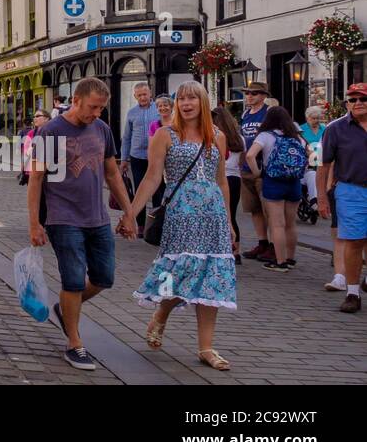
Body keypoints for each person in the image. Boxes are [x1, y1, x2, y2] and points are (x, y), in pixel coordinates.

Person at [123, 81, 237, 371]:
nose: (186, 104)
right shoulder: (165, 135)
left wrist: (229, 221)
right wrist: (131, 214)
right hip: (181, 212)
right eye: (182, 99)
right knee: (176, 272)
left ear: (203, 102)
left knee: (212, 277)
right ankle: (161, 313)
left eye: (192, 99)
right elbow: (151, 178)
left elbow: (221, 180)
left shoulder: (218, 137)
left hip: (212, 215)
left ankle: (206, 347)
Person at [28, 77, 133, 371]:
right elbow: (36, 178)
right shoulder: (50, 131)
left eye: (101, 108)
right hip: (63, 218)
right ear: (76, 101)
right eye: (92, 107)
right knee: (73, 280)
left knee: (104, 277)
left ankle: (65, 308)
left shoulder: (102, 129)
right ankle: (74, 343)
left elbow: (112, 174)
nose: (96, 113)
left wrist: (129, 212)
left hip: (97, 217)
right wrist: (35, 223)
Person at [317, 84, 367, 312]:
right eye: (352, 99)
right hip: (351, 190)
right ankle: (352, 293)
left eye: (362, 99)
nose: (357, 103)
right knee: (354, 240)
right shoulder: (335, 128)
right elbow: (324, 165)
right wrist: (322, 198)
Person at [244, 105, 306, 273]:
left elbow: (250, 155)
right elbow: (307, 154)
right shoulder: (296, 137)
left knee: (277, 224)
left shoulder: (265, 136)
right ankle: (291, 258)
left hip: (273, 180)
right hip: (293, 181)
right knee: (291, 224)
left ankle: (280, 261)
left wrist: (257, 172)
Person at [236, 82, 274, 263]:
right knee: (254, 209)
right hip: (246, 167)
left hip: (262, 167)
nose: (249, 96)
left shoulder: (268, 113)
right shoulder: (245, 114)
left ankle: (274, 246)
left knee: (269, 210)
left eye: (254, 93)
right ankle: (262, 242)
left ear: (264, 95)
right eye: (247, 93)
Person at [120, 82, 158, 237]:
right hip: (137, 157)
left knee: (157, 191)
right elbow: (127, 137)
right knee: (139, 190)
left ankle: (156, 224)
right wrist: (124, 159)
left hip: (156, 157)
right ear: (135, 96)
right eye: (139, 95)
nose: (143, 97)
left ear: (150, 93)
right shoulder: (131, 113)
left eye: (145, 94)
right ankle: (141, 225)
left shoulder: (158, 109)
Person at [213, 105, 245, 262]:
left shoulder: (216, 136)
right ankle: (236, 251)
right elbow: (242, 160)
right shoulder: (239, 138)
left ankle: (221, 248)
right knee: (231, 215)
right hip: (235, 179)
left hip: (219, 178)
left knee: (218, 215)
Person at [299, 106, 326, 208]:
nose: (316, 121)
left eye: (318, 118)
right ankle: (314, 198)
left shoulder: (324, 128)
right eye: (313, 118)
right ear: (307, 118)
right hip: (307, 158)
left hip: (322, 157)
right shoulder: (301, 129)